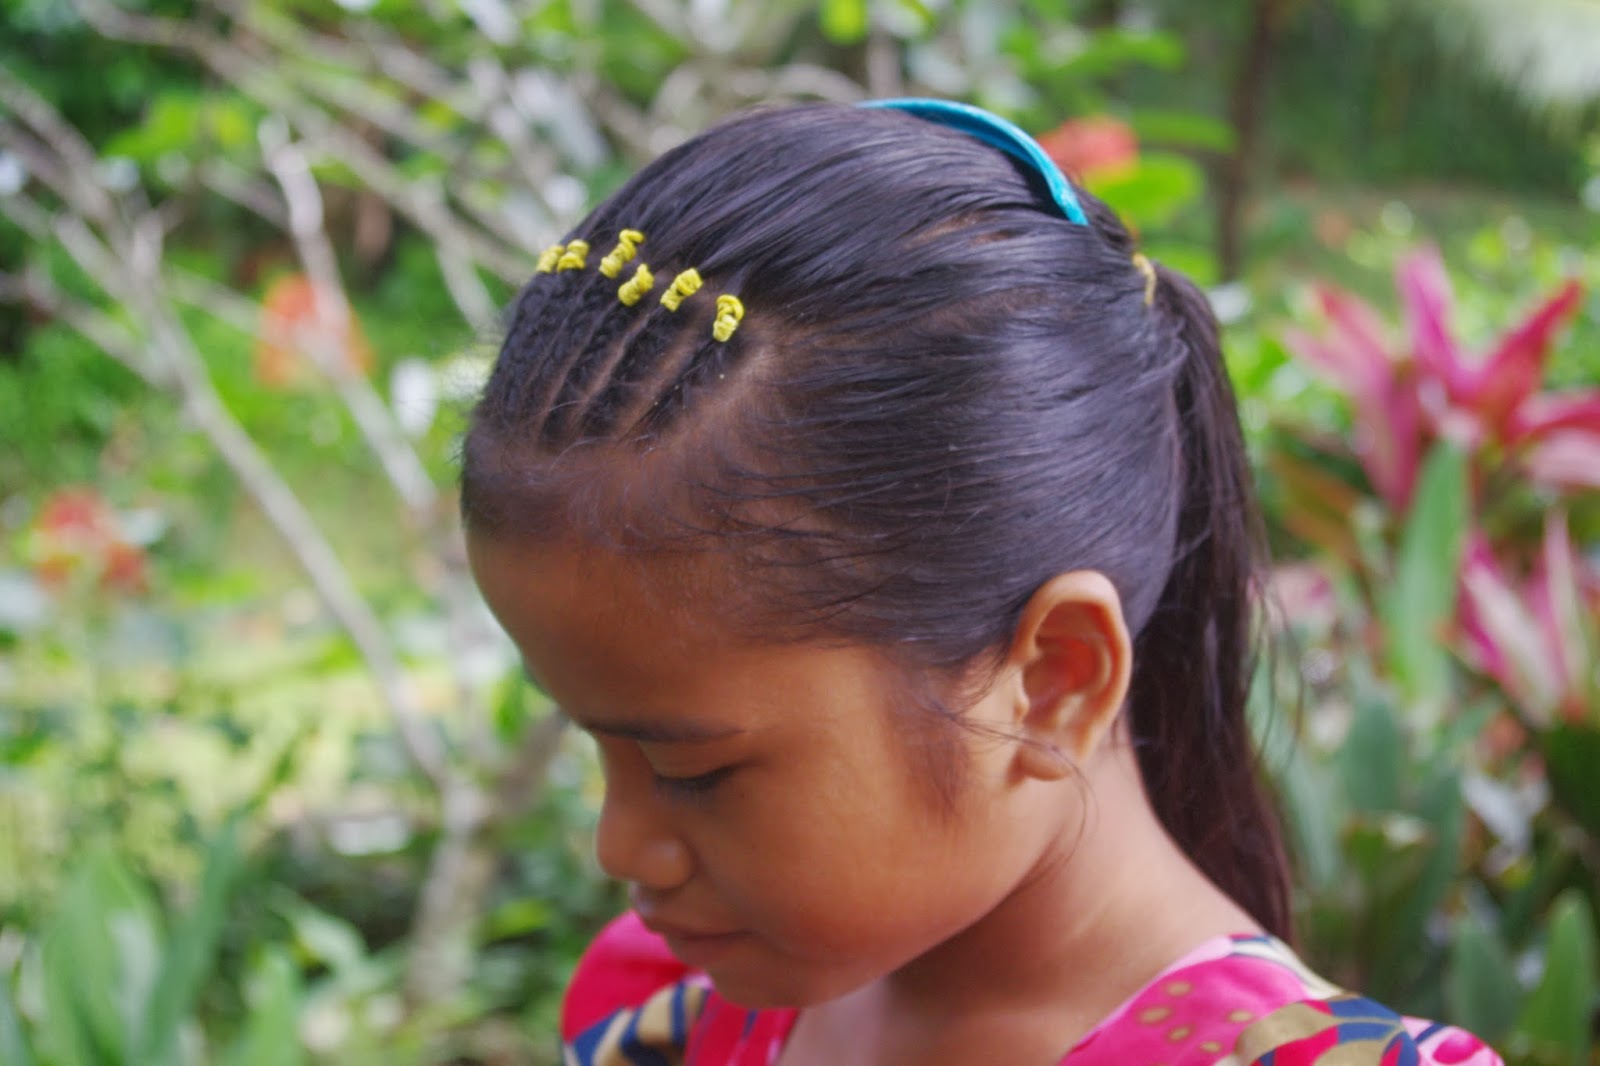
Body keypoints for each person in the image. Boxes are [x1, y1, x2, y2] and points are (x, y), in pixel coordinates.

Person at [460, 99, 1501, 1066]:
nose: (619, 846)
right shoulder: (670, 1017)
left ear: (1050, 677)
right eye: (600, 746)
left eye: (693, 771)